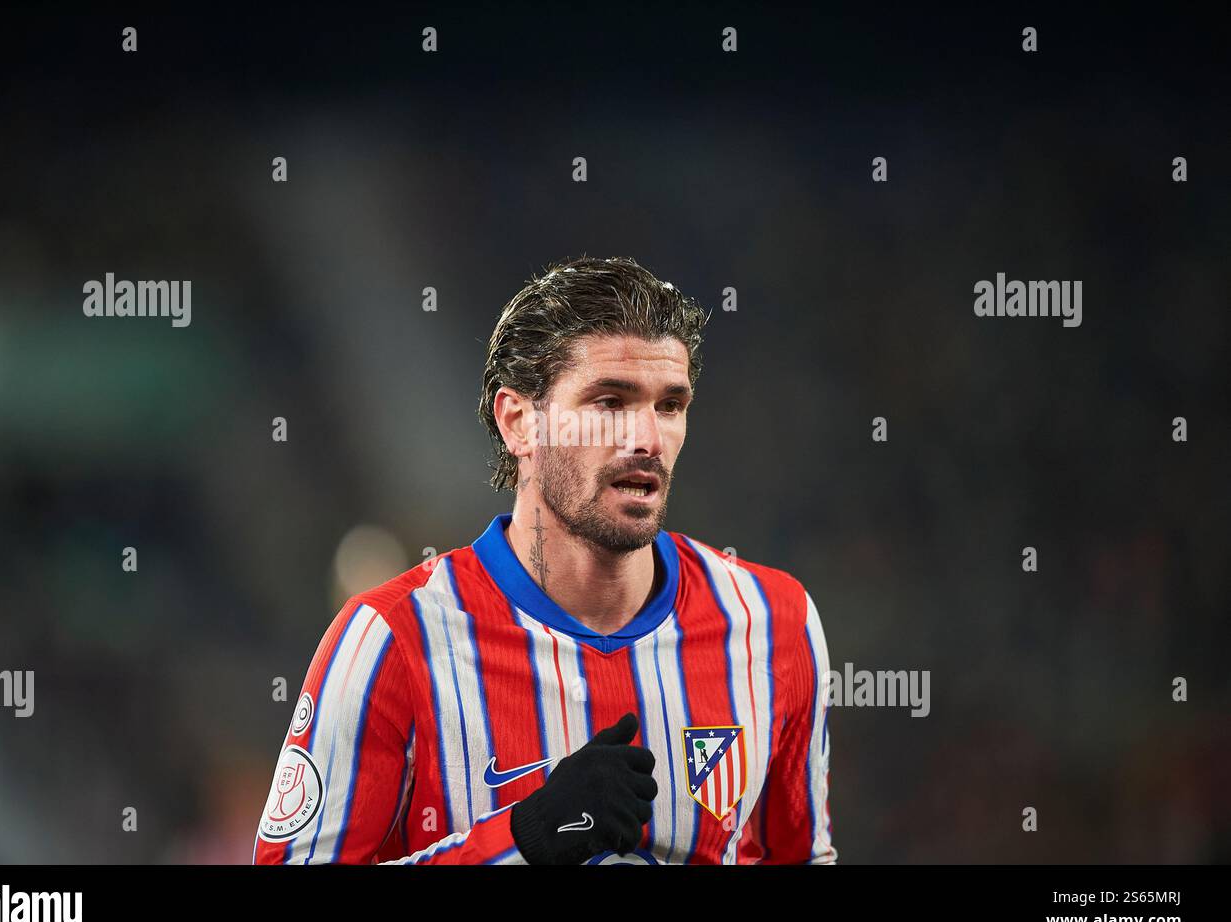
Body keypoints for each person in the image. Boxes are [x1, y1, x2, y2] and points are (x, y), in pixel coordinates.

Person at [254, 255, 835, 864]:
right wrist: (523, 840)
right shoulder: (391, 639)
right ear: (519, 423)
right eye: (609, 402)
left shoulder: (774, 622)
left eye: (669, 405)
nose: (646, 439)